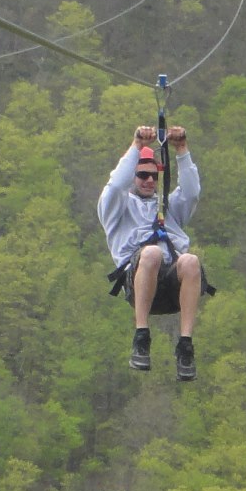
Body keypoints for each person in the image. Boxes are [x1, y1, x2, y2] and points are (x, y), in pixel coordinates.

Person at [98, 123, 209, 379]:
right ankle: (141, 336)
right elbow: (115, 186)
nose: (149, 181)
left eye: (154, 176)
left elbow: (191, 193)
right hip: (138, 281)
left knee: (191, 261)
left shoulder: (167, 207)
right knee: (151, 253)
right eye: (142, 175)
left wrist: (182, 149)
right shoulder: (117, 207)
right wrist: (137, 145)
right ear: (133, 176)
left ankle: (185, 345)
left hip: (171, 286)